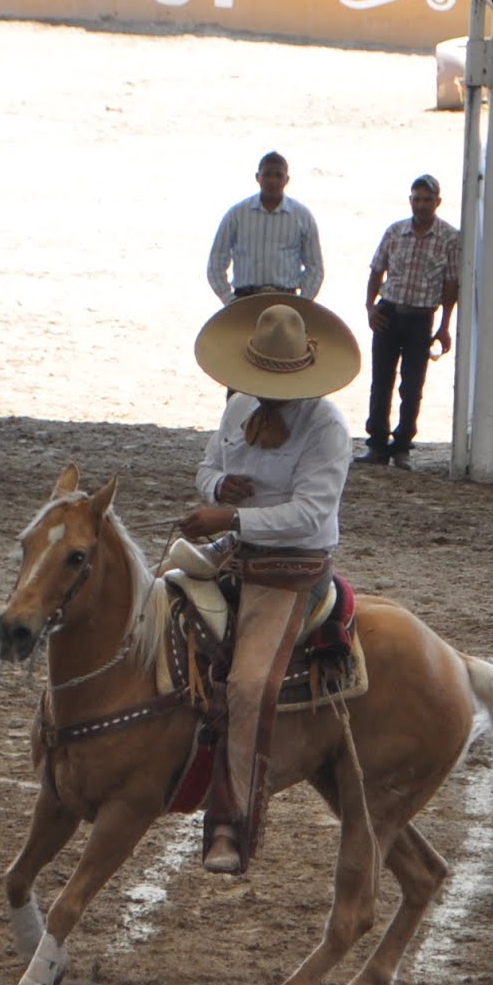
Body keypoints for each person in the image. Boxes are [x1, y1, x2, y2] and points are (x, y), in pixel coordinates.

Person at [180, 297, 360, 875]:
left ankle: (230, 824)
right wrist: (218, 489)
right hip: (233, 550)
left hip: (291, 568)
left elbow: (311, 515)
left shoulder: (327, 427)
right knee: (151, 606)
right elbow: (206, 470)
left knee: (250, 683)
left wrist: (231, 518)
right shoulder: (237, 410)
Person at [356, 173, 459, 468]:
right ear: (410, 200)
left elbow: (451, 285)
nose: (422, 205)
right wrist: (370, 308)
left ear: (438, 202)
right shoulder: (394, 232)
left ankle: (401, 445)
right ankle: (376, 444)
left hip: (421, 318)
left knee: (412, 385)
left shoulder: (449, 238)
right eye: (417, 199)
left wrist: (444, 326)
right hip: (389, 313)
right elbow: (376, 271)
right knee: (381, 381)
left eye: (428, 200)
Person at [206, 151, 324, 305]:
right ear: (257, 177)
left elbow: (315, 267)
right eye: (267, 174)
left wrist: (302, 303)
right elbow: (216, 262)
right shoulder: (237, 214)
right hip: (244, 299)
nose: (272, 181)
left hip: (286, 301)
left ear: (287, 179)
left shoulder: (302, 216)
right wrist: (230, 300)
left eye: (278, 175)